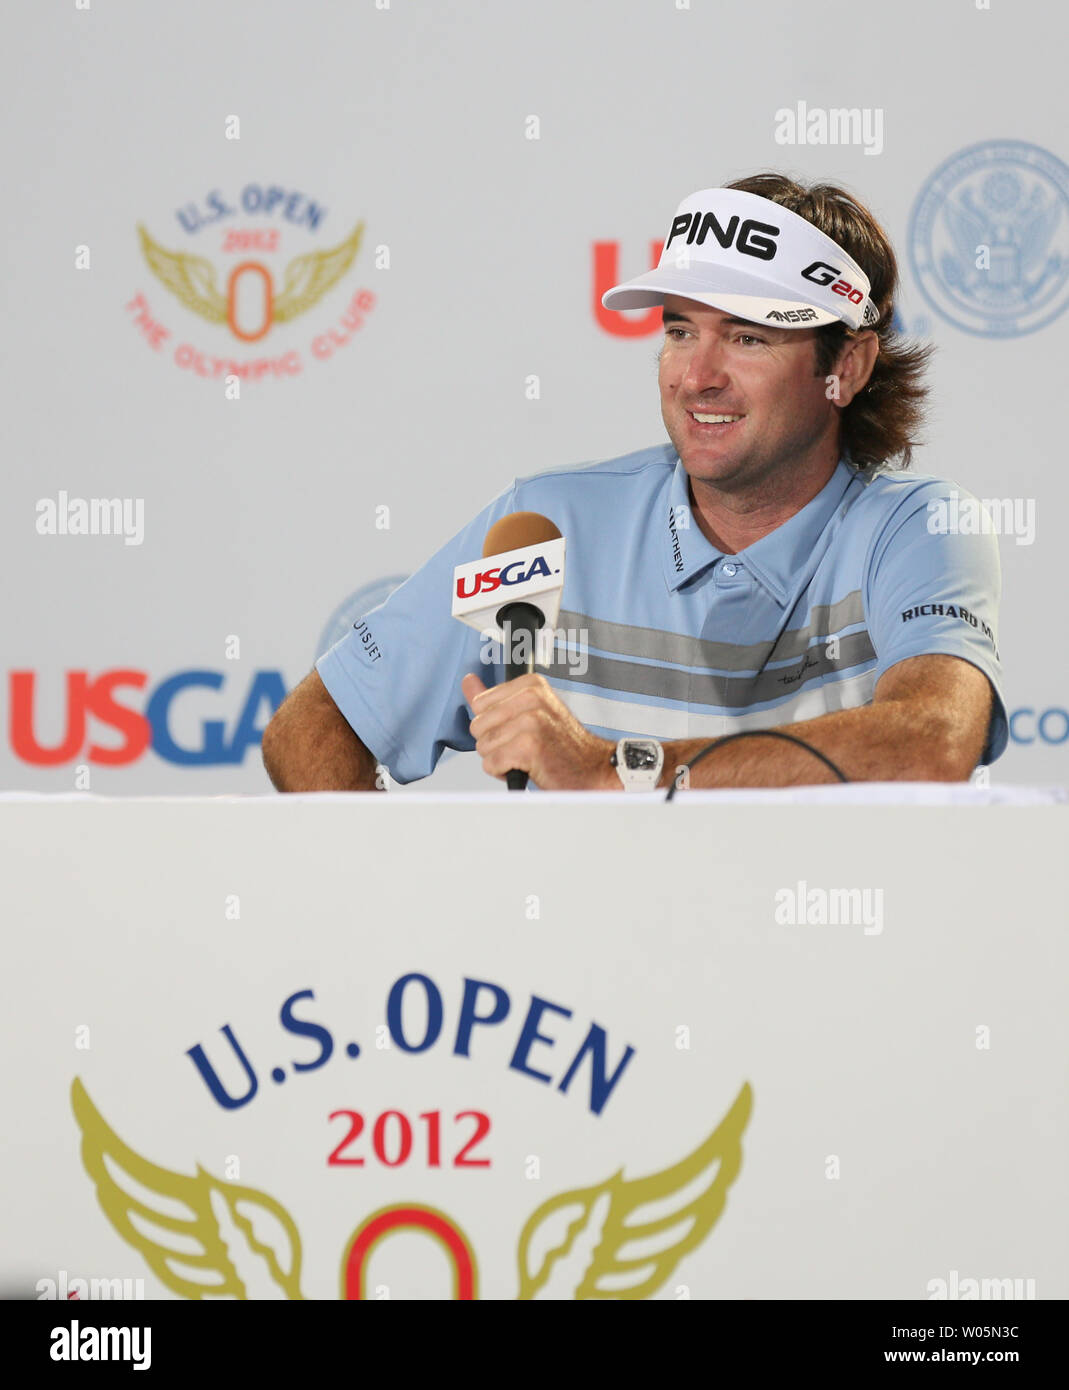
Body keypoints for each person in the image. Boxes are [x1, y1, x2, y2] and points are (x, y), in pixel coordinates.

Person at [262, 173, 1005, 793]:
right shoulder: (548, 523)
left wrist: (610, 770)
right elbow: (315, 724)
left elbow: (932, 741)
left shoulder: (919, 528)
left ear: (847, 366)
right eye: (680, 332)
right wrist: (394, 894)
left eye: (747, 337)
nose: (697, 376)